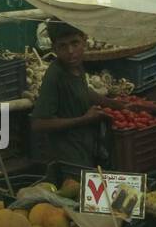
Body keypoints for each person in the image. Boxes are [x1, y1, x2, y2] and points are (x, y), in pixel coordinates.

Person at [30, 20, 125, 183]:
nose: (71, 51)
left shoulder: (76, 67)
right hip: (68, 161)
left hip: (84, 151)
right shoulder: (55, 75)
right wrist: (83, 119)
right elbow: (39, 123)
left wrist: (113, 103)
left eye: (75, 43)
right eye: (63, 46)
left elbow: (83, 91)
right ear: (54, 49)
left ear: (84, 40)